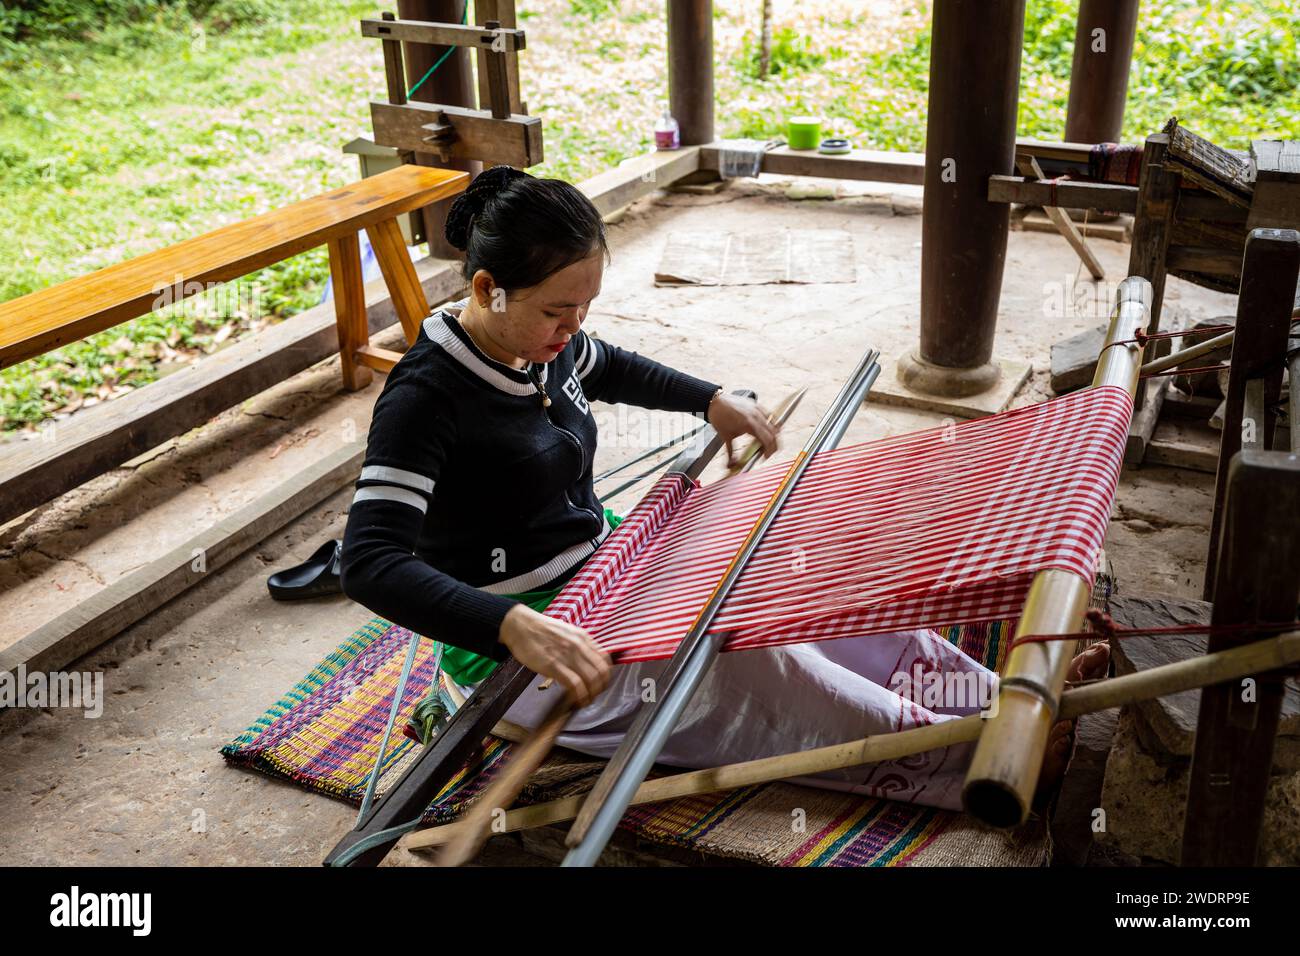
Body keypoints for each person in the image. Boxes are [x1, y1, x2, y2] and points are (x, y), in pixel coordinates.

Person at [340, 165, 1107, 811]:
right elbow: (369, 561)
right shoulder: (425, 398)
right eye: (556, 310)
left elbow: (607, 364)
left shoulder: (542, 343)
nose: (572, 327)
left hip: (611, 569)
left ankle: (1001, 699)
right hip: (529, 656)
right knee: (750, 659)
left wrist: (710, 398)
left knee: (803, 588)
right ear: (486, 288)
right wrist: (512, 628)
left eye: (584, 307)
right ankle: (976, 755)